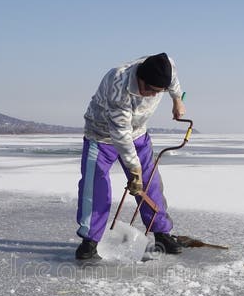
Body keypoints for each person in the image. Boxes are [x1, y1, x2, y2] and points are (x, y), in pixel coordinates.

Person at [75, 52, 186, 260]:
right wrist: (134, 170)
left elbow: (173, 82)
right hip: (101, 135)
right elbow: (120, 134)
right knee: (95, 187)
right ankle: (90, 240)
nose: (153, 96)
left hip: (138, 133)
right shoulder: (118, 83)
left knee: (150, 184)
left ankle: (161, 232)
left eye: (158, 92)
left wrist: (177, 100)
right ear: (140, 79)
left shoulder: (166, 67)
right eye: (150, 90)